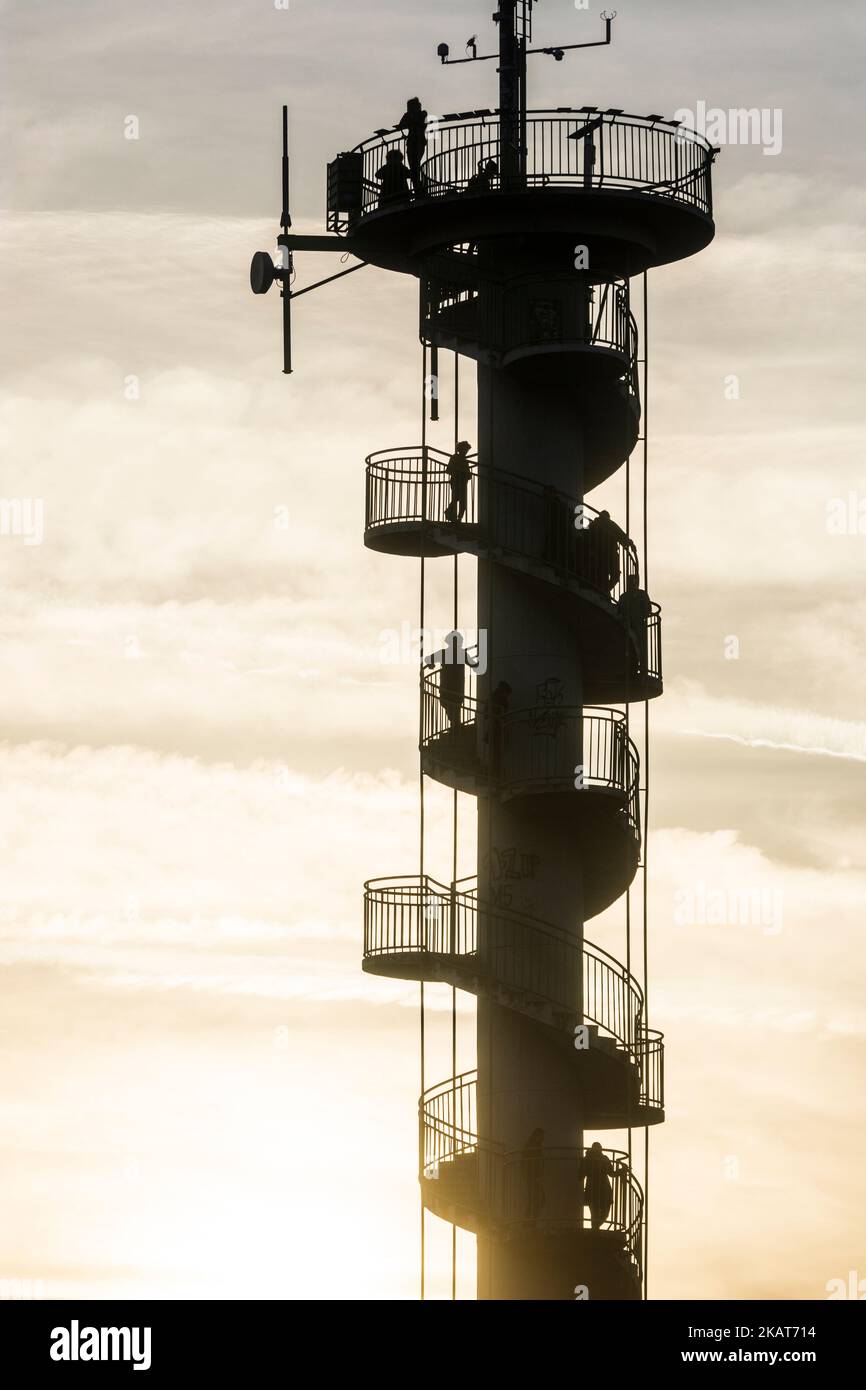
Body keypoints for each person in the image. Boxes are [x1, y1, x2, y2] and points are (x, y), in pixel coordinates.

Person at [426, 631, 478, 730]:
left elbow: (428, 659)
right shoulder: (459, 653)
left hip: (449, 685)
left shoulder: (446, 653)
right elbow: (474, 665)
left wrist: (430, 664)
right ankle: (456, 725)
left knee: (451, 705)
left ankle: (455, 725)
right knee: (453, 705)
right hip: (455, 686)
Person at [616, 574, 652, 674]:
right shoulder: (624, 597)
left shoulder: (642, 594)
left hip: (639, 624)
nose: (633, 583)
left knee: (641, 646)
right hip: (627, 624)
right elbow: (619, 610)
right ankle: (630, 666)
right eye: (631, 581)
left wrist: (642, 615)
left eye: (635, 581)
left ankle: (642, 667)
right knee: (629, 645)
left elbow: (648, 609)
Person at [586, 509, 626, 593]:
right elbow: (622, 536)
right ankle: (604, 590)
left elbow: (587, 538)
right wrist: (629, 543)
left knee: (603, 574)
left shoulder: (593, 524)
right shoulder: (609, 525)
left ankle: (603, 590)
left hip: (601, 555)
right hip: (608, 555)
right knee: (613, 575)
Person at [579, 1142, 615, 1232]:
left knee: (602, 1211)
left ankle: (595, 1228)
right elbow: (580, 1174)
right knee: (596, 1212)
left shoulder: (602, 1159)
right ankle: (595, 1228)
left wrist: (621, 1171)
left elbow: (611, 1173)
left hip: (601, 1188)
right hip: (595, 1188)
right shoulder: (588, 1159)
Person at [398, 97, 428, 196]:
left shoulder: (422, 113)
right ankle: (418, 189)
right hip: (411, 143)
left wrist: (410, 116)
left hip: (419, 143)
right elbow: (401, 125)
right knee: (414, 168)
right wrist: (407, 116)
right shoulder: (409, 115)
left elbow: (418, 121)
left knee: (415, 167)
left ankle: (419, 189)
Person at [486, 679, 512, 778]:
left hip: (495, 729)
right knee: (496, 753)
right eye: (507, 694)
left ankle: (495, 773)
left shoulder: (493, 698)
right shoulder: (499, 700)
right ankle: (495, 774)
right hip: (496, 729)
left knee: (495, 753)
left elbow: (486, 713)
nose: (507, 696)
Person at [520, 1127, 545, 1222]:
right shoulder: (533, 1146)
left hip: (531, 1176)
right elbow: (531, 1162)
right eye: (542, 1136)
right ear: (537, 1136)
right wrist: (535, 1175)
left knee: (536, 1199)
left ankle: (530, 1221)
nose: (543, 1138)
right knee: (537, 1199)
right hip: (531, 1176)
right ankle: (529, 1222)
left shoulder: (533, 1145)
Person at [444, 441, 473, 522]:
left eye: (467, 450)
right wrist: (457, 473)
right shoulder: (455, 457)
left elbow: (468, 474)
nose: (466, 452)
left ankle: (458, 518)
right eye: (465, 449)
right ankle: (450, 514)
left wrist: (465, 475)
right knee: (456, 499)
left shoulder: (464, 460)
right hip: (456, 482)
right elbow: (448, 470)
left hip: (463, 483)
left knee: (462, 502)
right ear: (461, 449)